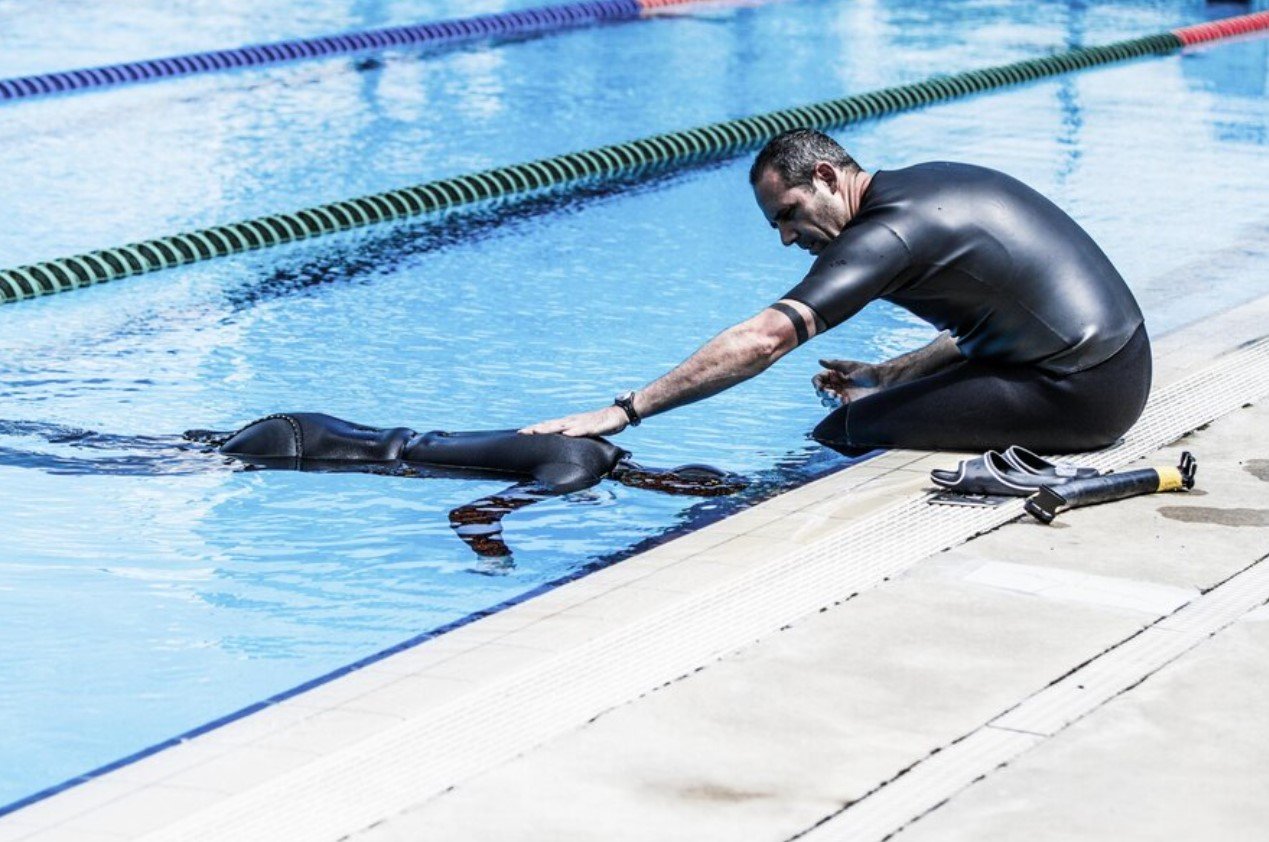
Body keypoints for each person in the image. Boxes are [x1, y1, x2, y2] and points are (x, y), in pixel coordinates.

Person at [521, 128, 1151, 454]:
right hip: (1113, 359)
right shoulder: (923, 185)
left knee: (845, 428)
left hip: (1086, 392)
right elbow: (990, 320)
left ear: (825, 176)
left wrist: (627, 410)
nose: (789, 238)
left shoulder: (884, 237)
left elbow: (765, 341)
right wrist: (889, 372)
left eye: (790, 214)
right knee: (880, 400)